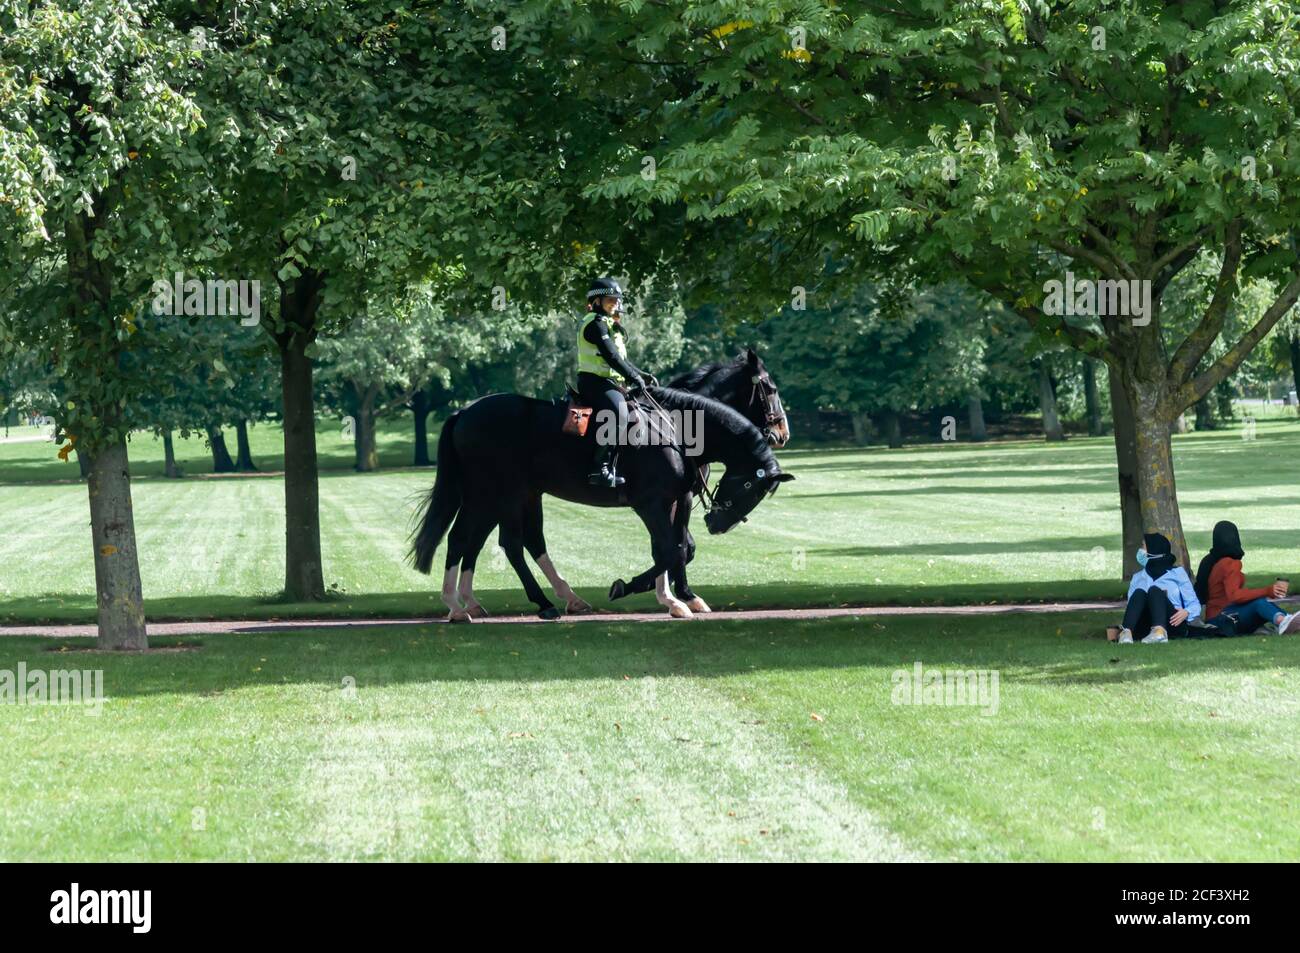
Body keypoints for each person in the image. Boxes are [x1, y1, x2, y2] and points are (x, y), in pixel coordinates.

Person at [576, 277, 656, 487]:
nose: (615, 303)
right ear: (596, 301)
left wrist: (641, 374)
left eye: (616, 299)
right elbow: (611, 357)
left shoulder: (610, 325)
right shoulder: (595, 324)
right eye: (610, 299)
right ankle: (599, 468)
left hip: (609, 383)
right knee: (619, 413)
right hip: (594, 382)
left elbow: (621, 360)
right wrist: (633, 377)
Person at [1194, 520, 1300, 636]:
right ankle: (1284, 622)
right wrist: (1267, 591)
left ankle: (1287, 620)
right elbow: (1235, 595)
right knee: (1259, 603)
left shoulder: (1212, 562)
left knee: (1259, 602)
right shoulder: (1229, 563)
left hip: (1214, 616)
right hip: (1222, 618)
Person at [1117, 533, 1202, 644]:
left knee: (1155, 591)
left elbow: (1194, 604)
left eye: (1143, 546)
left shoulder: (1177, 573)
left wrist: (1187, 612)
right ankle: (1126, 633)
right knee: (1139, 592)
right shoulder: (1137, 577)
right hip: (1145, 625)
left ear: (1154, 550)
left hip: (1172, 623)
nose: (1140, 550)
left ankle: (1159, 632)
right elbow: (1132, 606)